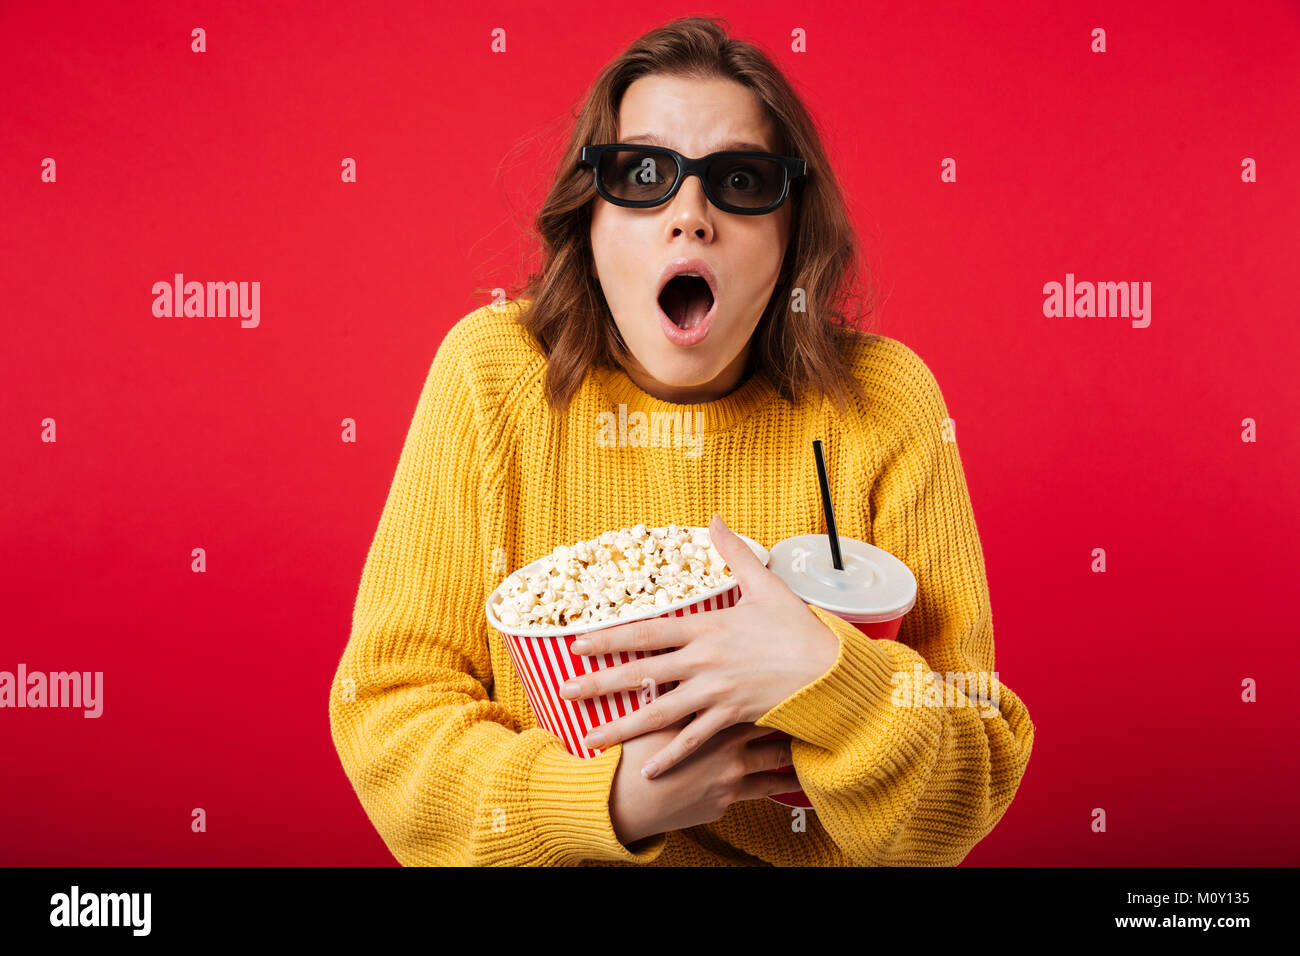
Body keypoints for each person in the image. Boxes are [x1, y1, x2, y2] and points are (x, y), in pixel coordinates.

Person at [328, 15, 1034, 866]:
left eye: (740, 180)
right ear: (589, 220)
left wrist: (827, 676)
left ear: (790, 235)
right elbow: (388, 717)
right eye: (643, 174)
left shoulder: (882, 406)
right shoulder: (491, 377)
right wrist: (617, 801)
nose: (689, 215)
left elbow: (960, 793)